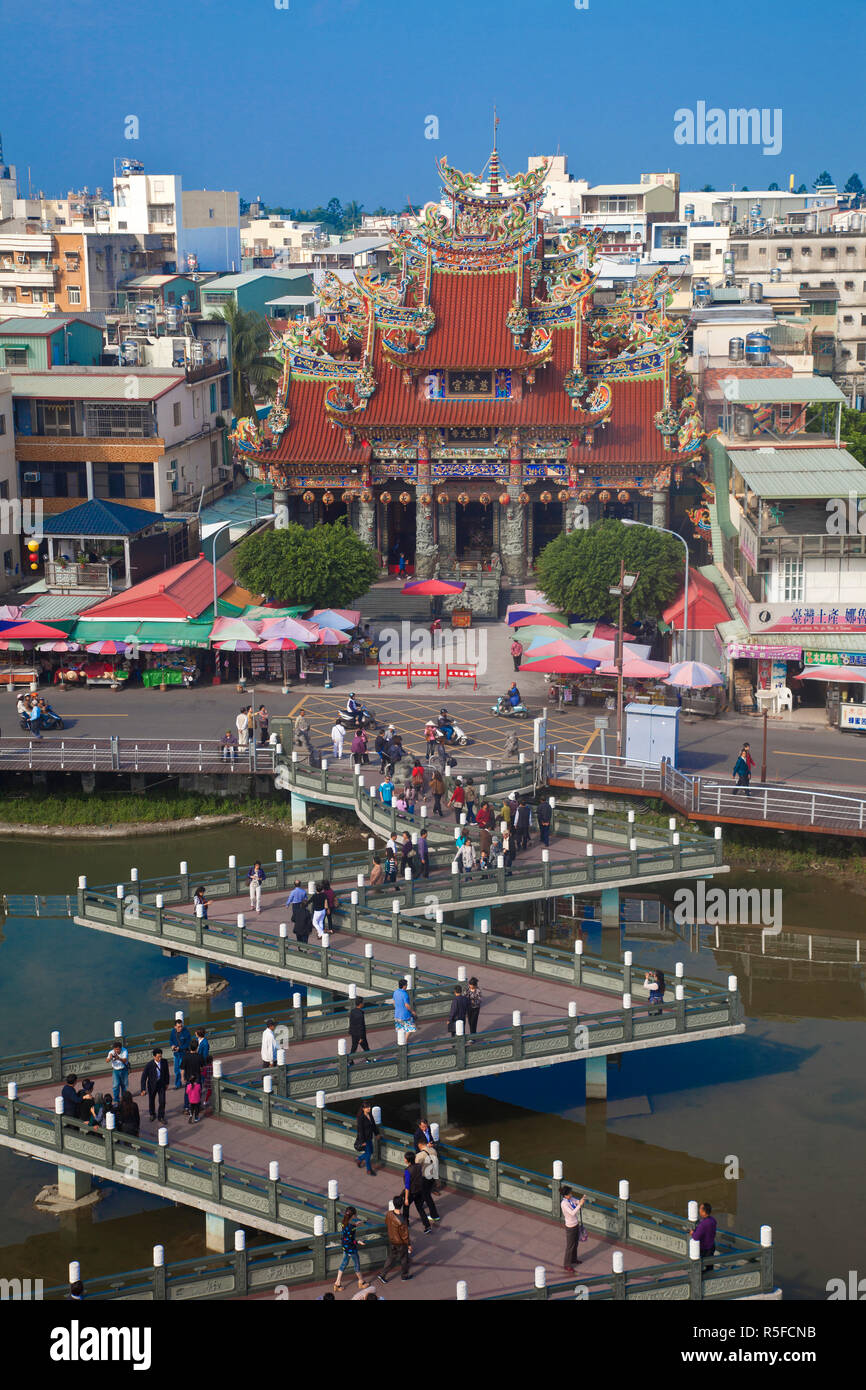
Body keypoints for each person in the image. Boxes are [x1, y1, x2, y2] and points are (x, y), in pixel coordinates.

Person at [333, 1207, 368, 1294]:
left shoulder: (343, 1223)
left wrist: (356, 1225)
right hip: (351, 1248)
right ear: (352, 1215)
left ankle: (337, 1283)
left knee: (344, 1263)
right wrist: (358, 1242)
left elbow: (347, 1233)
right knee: (356, 1264)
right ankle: (361, 1282)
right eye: (355, 1214)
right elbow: (350, 1239)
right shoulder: (350, 1226)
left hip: (345, 1246)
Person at [378, 1196, 412, 1282]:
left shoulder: (389, 1214)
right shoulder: (402, 1220)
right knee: (404, 1258)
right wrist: (408, 1245)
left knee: (391, 1257)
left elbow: (386, 1222)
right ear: (402, 1205)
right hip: (400, 1243)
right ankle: (404, 1275)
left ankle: (383, 1274)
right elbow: (405, 1235)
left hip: (392, 1239)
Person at [401, 1150, 432, 1233]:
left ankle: (406, 1223)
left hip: (412, 1192)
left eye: (404, 1158)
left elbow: (407, 1186)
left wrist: (406, 1198)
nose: (404, 1159)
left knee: (406, 1207)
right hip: (419, 1191)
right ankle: (427, 1226)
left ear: (407, 1160)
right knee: (420, 1209)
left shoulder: (407, 1171)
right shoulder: (418, 1166)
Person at [560, 1185, 586, 1272]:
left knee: (575, 1243)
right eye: (570, 1193)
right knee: (570, 1246)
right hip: (570, 1226)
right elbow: (572, 1213)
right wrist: (580, 1205)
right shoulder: (564, 1204)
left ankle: (574, 1259)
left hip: (575, 1224)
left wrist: (581, 1200)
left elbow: (577, 1202)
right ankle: (567, 1264)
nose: (571, 1194)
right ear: (566, 1195)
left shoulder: (571, 1199)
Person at [140, 1048, 169, 1122]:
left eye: (161, 1056)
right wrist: (143, 1089)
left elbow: (167, 1073)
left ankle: (161, 1116)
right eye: (158, 1057)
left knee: (162, 1101)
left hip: (161, 1084)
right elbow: (144, 1077)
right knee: (151, 1101)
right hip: (152, 1085)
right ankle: (152, 1114)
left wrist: (167, 1083)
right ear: (154, 1056)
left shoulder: (164, 1062)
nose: (160, 1058)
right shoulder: (149, 1065)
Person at [416, 1141, 441, 1223]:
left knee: (427, 1196)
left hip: (424, 1177)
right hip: (432, 1176)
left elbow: (415, 1168)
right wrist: (437, 1180)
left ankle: (434, 1215)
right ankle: (420, 1203)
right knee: (426, 1192)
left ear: (420, 1145)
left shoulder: (419, 1155)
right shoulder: (433, 1150)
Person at [355, 1100, 380, 1175]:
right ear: (363, 1109)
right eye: (367, 1107)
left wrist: (377, 1134)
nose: (369, 1108)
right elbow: (360, 1130)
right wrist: (362, 1142)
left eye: (369, 1107)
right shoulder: (361, 1118)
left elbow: (373, 1126)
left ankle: (359, 1159)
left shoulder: (370, 1115)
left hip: (369, 1137)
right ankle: (369, 1170)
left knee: (370, 1152)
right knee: (368, 1154)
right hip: (364, 1139)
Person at [182, 1038, 203, 1118]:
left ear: (190, 1047)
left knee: (187, 1093)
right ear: (197, 1047)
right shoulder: (199, 1056)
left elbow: (183, 1069)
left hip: (188, 1078)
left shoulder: (185, 1057)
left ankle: (186, 1108)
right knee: (198, 1092)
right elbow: (201, 1068)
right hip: (197, 1078)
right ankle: (198, 1106)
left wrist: (182, 1078)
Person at [105, 1039, 130, 1104]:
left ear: (121, 1048)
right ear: (114, 1049)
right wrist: (110, 1058)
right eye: (115, 1049)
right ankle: (116, 1099)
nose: (117, 1051)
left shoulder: (124, 1051)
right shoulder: (111, 1052)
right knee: (116, 1085)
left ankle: (124, 1099)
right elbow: (106, 1061)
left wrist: (118, 1058)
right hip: (115, 1070)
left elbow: (125, 1060)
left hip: (124, 1069)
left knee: (124, 1085)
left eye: (118, 1049)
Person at [169, 1018, 191, 1089]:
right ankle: (178, 1084)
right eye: (178, 1027)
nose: (180, 1028)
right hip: (176, 1054)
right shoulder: (173, 1032)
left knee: (182, 1069)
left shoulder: (186, 1032)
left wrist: (180, 1048)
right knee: (176, 1070)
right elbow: (171, 1040)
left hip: (183, 1054)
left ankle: (186, 1082)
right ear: (175, 1026)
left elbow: (188, 1044)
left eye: (181, 1026)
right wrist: (172, 1045)